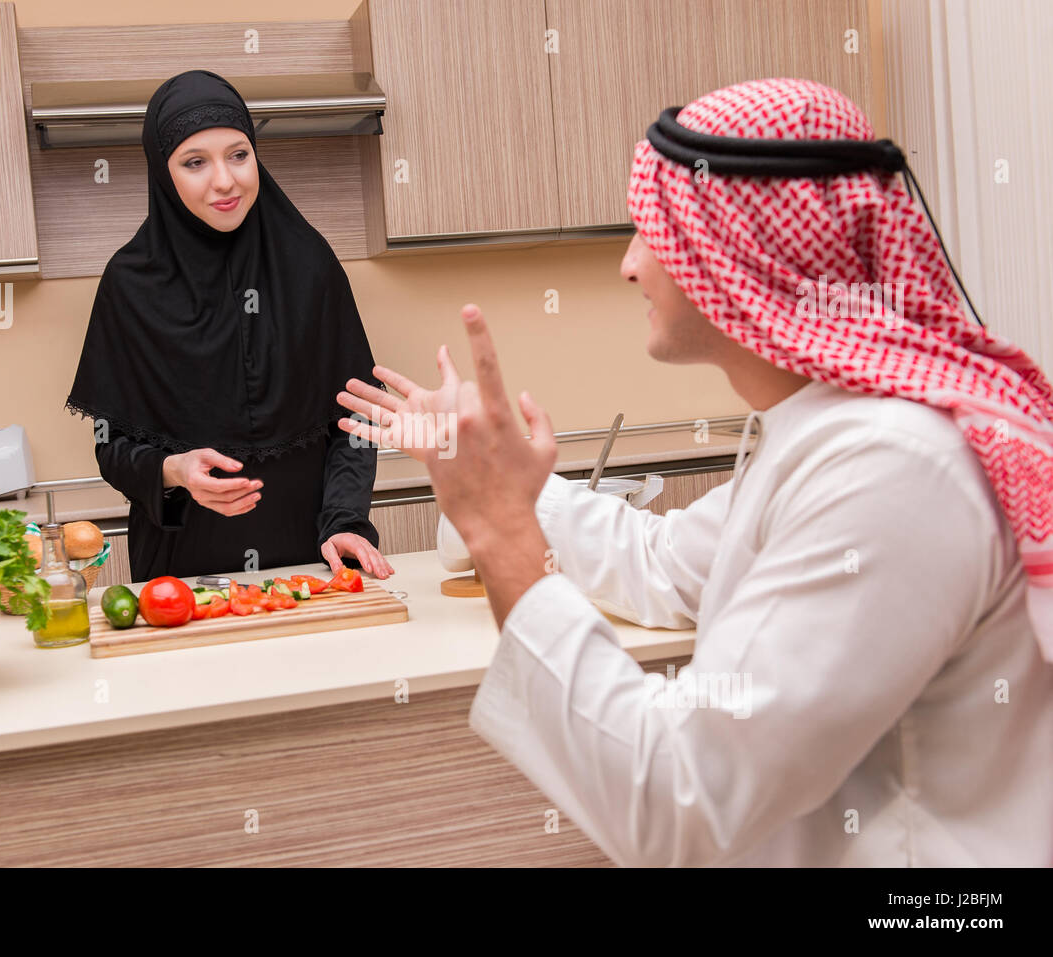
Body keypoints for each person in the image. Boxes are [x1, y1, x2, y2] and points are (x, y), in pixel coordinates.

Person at [337, 78, 1053, 866]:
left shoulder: (889, 469)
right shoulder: (829, 431)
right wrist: (507, 482)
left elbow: (678, 801)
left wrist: (501, 531)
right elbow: (665, 562)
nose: (629, 265)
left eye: (654, 234)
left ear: (740, 260)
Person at [66, 70, 393, 583]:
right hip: (180, 578)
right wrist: (175, 471)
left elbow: (355, 420)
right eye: (195, 162)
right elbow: (114, 446)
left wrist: (345, 520)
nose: (225, 180)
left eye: (239, 155)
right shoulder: (130, 284)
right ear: (163, 172)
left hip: (313, 557)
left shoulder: (309, 263)